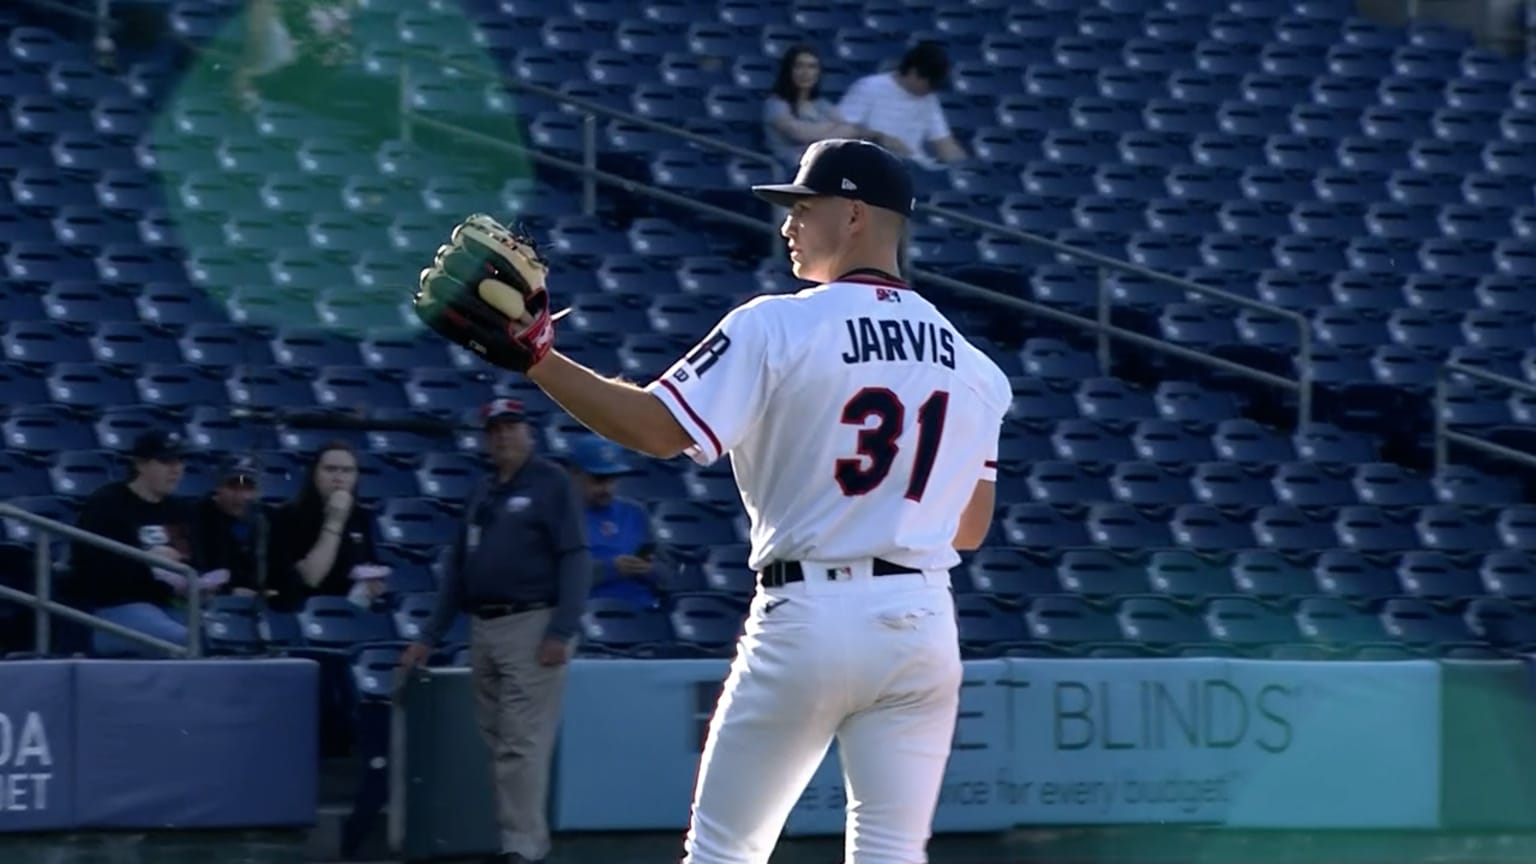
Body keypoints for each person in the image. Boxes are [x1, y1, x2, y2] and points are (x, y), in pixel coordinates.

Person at [442, 138, 1009, 862]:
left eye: (805, 206)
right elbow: (969, 529)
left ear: (856, 215)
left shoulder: (777, 324)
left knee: (724, 851)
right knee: (892, 852)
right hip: (924, 621)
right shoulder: (975, 364)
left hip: (813, 612)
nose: (788, 224)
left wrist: (538, 356)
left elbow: (654, 429)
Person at [399, 399, 592, 864]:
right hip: (482, 626)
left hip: (532, 623)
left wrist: (561, 630)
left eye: (511, 426)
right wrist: (430, 634)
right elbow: (457, 571)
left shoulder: (550, 483)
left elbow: (576, 557)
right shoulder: (483, 491)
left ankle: (522, 848)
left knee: (520, 744)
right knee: (499, 741)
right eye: (494, 429)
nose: (502, 436)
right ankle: (519, 840)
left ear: (529, 432)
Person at [67, 430, 199, 657]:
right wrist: (147, 562)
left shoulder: (180, 509)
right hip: (116, 607)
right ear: (141, 464)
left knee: (215, 635)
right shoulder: (107, 503)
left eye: (180, 461)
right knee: (186, 642)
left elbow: (195, 559)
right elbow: (91, 569)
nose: (176, 469)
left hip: (171, 603)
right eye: (166, 461)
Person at [265, 441, 385, 613]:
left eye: (347, 471)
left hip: (352, 612)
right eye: (330, 469)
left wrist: (373, 584)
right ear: (314, 474)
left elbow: (371, 565)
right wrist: (335, 520)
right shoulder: (286, 516)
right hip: (303, 611)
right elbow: (311, 578)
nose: (338, 477)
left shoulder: (360, 516)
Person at [563, 433, 673, 610]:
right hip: (586, 619)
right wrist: (610, 568)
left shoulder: (635, 513)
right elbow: (554, 580)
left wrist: (648, 569)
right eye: (598, 480)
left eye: (613, 479)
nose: (607, 489)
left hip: (642, 616)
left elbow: (668, 575)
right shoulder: (559, 516)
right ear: (575, 474)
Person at [837, 41, 969, 171]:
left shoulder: (929, 99)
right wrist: (878, 137)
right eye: (929, 83)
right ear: (914, 72)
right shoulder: (869, 87)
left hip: (913, 167)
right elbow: (839, 131)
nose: (931, 90)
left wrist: (963, 166)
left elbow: (944, 142)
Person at [763, 44, 871, 170]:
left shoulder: (822, 104)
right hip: (791, 166)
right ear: (788, 70)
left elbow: (850, 130)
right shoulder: (776, 103)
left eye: (812, 67)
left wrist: (820, 135)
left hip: (824, 160)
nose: (806, 73)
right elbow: (799, 133)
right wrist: (831, 126)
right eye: (799, 66)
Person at [190, 456, 264, 598]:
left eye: (247, 488)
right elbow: (197, 569)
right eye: (232, 487)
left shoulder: (262, 519)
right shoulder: (198, 515)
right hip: (210, 598)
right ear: (218, 487)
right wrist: (228, 591)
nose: (239, 496)